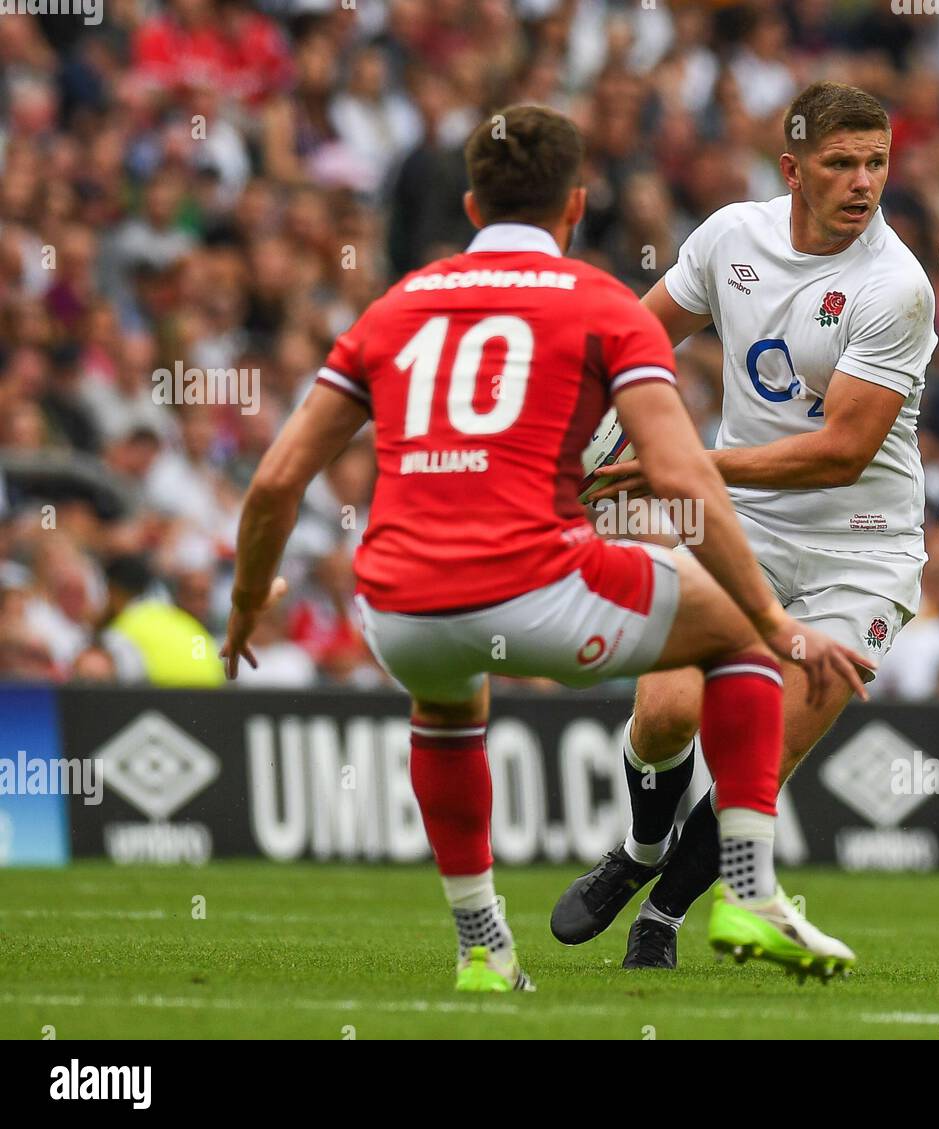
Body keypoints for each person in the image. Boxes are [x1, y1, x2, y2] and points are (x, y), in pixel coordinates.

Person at [221, 104, 870, 993]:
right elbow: (683, 479)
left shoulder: (395, 306)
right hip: (538, 588)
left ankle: (485, 946)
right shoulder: (605, 305)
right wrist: (773, 617)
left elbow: (275, 482)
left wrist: (247, 597)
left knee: (447, 711)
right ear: (576, 205)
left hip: (400, 604)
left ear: (471, 204)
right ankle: (750, 890)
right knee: (738, 640)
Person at [551, 82, 938, 970]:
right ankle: (641, 853)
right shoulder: (732, 237)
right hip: (741, 525)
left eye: (877, 162)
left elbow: (841, 452)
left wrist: (683, 464)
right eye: (841, 163)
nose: (863, 182)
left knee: (755, 759)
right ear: (792, 168)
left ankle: (665, 917)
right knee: (665, 714)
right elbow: (640, 336)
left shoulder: (896, 286)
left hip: (862, 548)